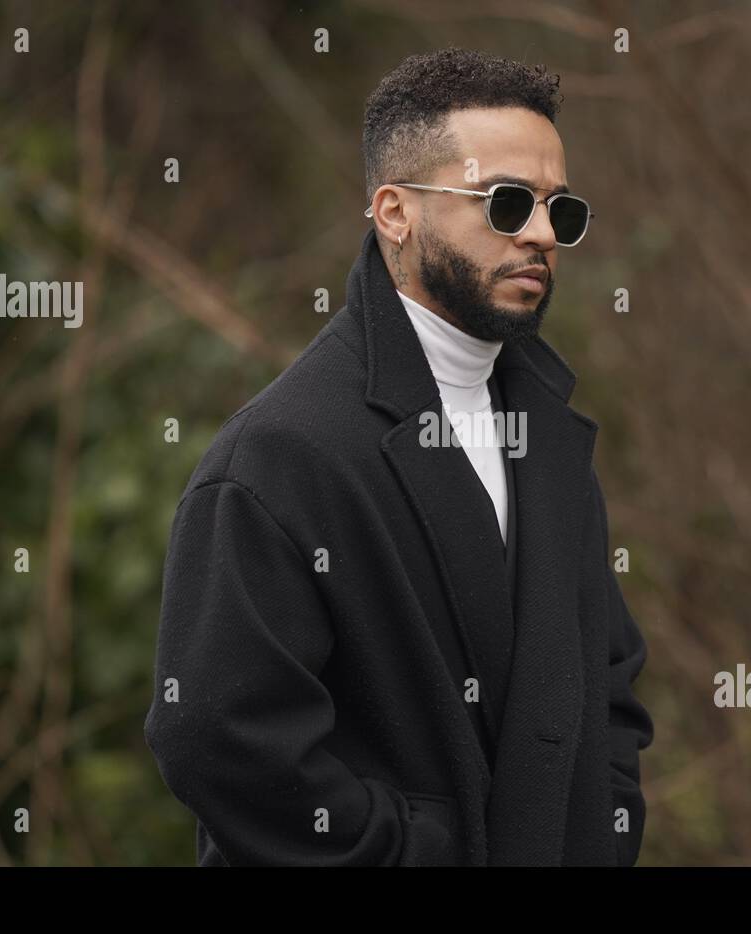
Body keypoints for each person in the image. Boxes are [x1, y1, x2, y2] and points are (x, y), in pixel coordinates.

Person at [144, 46, 654, 866]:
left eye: (560, 210)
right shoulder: (280, 454)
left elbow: (609, 689)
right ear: (393, 213)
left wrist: (599, 826)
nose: (539, 235)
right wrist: (424, 850)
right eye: (505, 202)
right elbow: (215, 735)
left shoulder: (551, 437)